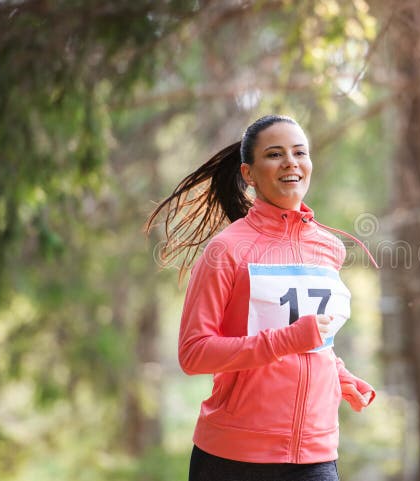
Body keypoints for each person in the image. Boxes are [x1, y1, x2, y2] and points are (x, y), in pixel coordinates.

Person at [146, 115, 377, 481]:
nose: (291, 162)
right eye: (275, 154)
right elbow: (194, 353)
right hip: (235, 456)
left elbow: (314, 338)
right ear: (249, 174)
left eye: (300, 152)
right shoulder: (226, 250)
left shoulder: (328, 249)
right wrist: (290, 340)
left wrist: (339, 374)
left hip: (316, 453)